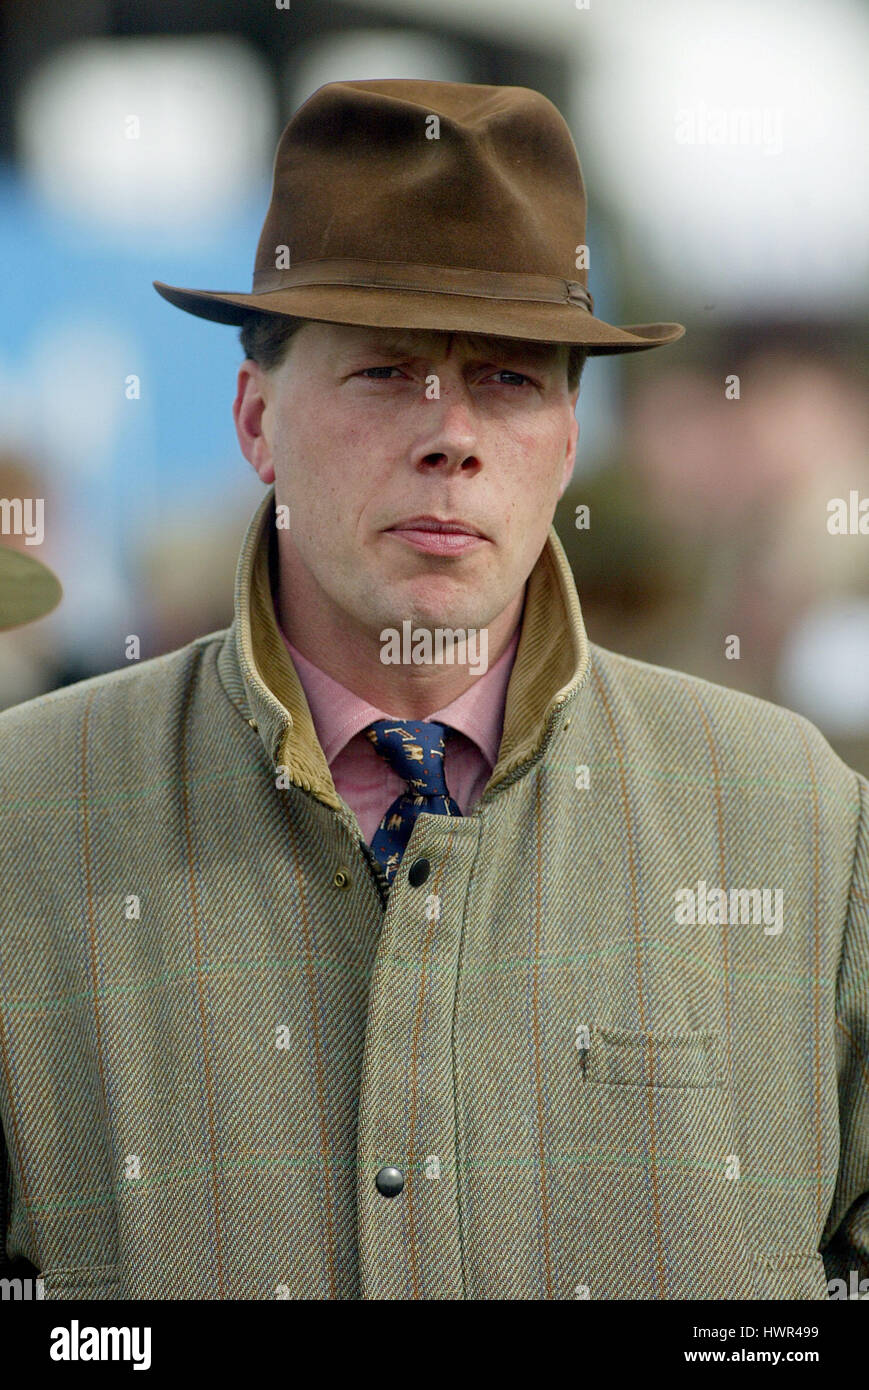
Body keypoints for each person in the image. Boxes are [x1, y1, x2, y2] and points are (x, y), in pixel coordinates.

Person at [0, 79, 865, 1301]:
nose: (448, 432)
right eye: (385, 371)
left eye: (508, 380)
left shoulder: (802, 828)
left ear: (567, 441)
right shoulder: (26, 822)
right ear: (255, 418)